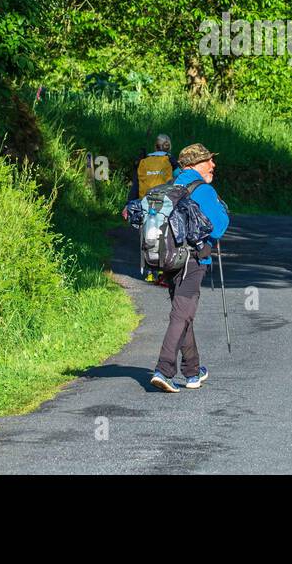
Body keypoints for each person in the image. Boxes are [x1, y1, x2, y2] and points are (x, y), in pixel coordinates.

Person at [151, 142, 229, 393]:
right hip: (193, 261)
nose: (213, 164)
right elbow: (219, 225)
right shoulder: (201, 189)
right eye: (208, 160)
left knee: (183, 314)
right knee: (181, 314)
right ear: (194, 164)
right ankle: (164, 369)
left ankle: (193, 370)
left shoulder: (171, 185)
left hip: (169, 260)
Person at [124, 135, 178, 284]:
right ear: (169, 147)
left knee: (146, 235)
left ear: (155, 146)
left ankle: (149, 272)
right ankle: (163, 270)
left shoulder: (143, 162)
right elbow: (179, 179)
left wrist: (128, 204)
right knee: (165, 235)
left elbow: (136, 184)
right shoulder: (171, 161)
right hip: (166, 203)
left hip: (145, 202)